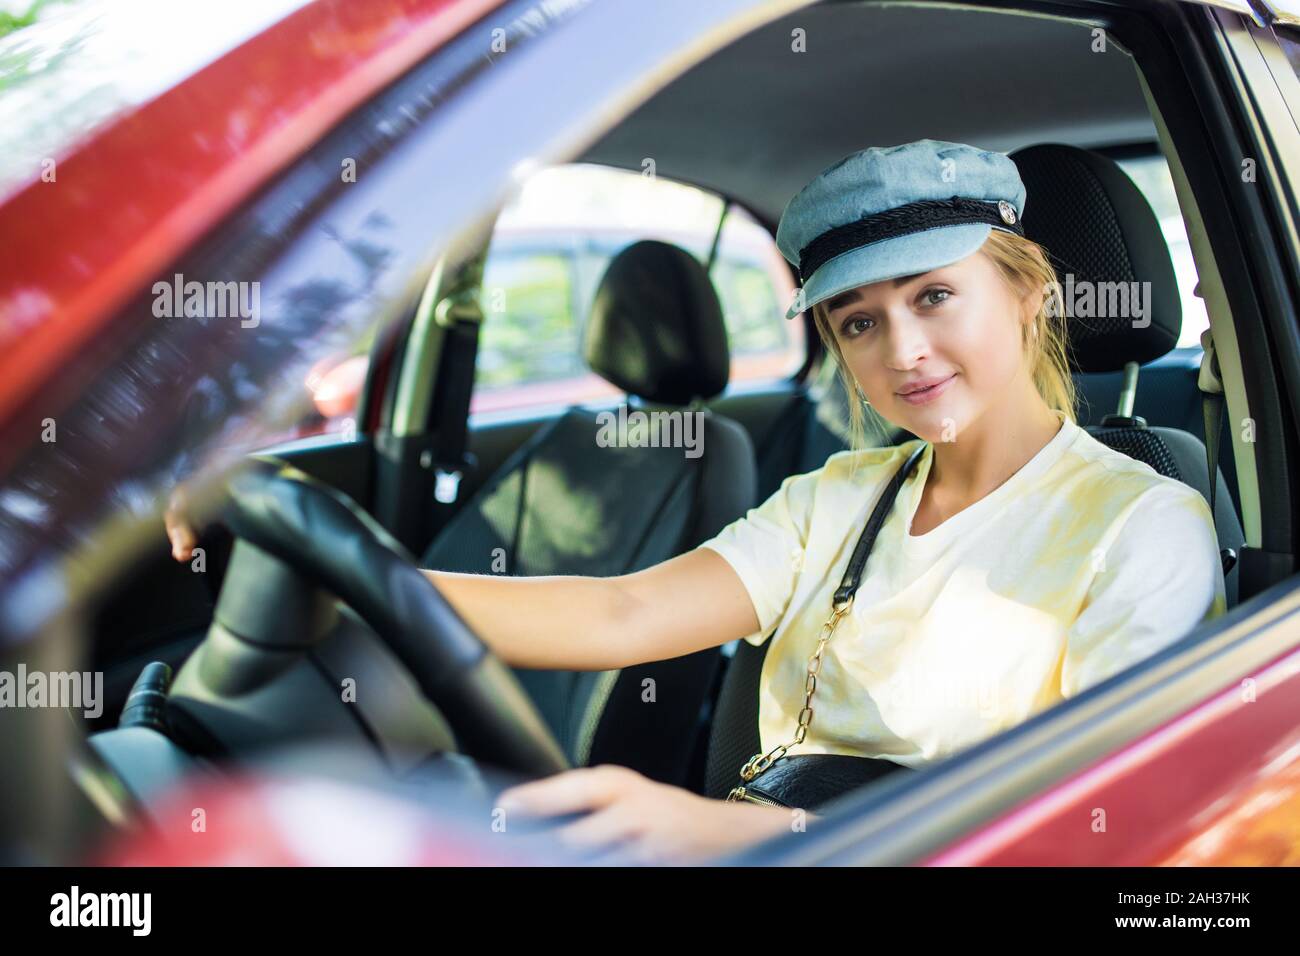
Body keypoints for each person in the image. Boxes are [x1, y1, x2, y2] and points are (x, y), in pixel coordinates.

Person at [166, 139, 1226, 864]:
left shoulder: (1141, 525)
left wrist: (724, 832)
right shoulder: (842, 493)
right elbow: (621, 614)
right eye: (857, 321)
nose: (900, 350)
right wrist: (340, 563)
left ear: (1030, 295)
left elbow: (1092, 833)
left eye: (935, 295)